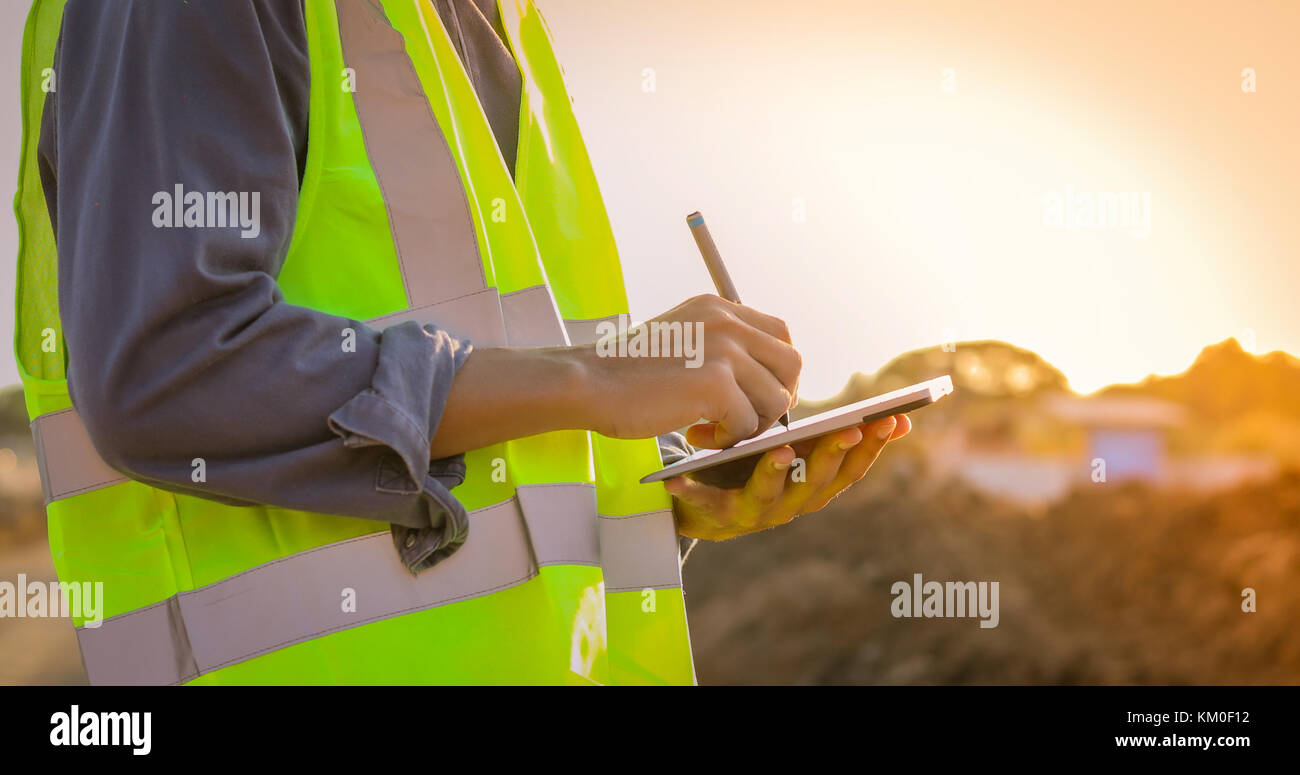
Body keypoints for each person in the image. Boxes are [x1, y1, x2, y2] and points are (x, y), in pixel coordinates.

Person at [14, 0, 909, 685]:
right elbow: (167, 364)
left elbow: (506, 411)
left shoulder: (491, 22)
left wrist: (661, 496)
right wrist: (596, 376)